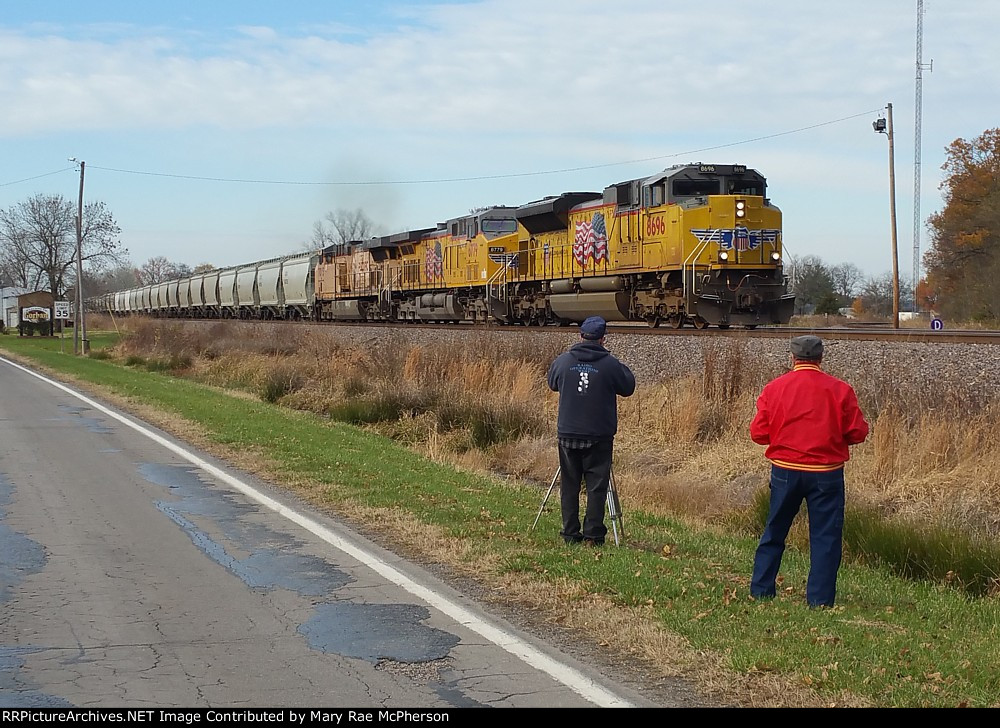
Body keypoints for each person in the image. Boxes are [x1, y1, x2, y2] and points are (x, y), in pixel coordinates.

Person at [749, 335, 869, 607]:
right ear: (820, 358)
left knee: (774, 530)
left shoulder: (774, 388)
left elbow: (758, 433)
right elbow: (857, 432)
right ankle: (820, 600)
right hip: (826, 472)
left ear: (792, 358)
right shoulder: (840, 390)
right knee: (826, 537)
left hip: (785, 470)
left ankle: (761, 590)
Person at [546, 316, 635, 546]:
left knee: (570, 484)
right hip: (598, 435)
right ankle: (593, 535)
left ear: (581, 335)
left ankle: (569, 533)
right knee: (597, 486)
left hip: (568, 434)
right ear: (603, 339)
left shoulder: (564, 361)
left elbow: (552, 382)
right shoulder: (610, 364)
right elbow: (628, 387)